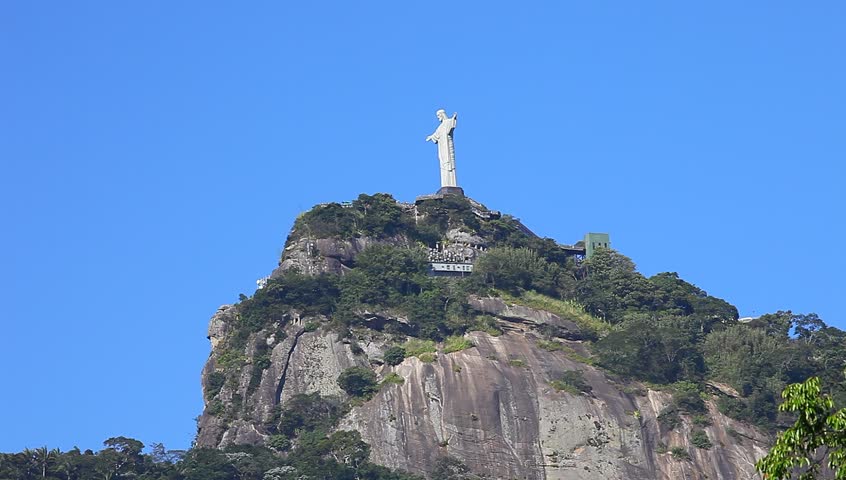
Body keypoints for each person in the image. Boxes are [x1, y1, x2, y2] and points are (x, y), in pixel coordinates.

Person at [425, 109, 458, 187]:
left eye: (439, 116)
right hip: (442, 148)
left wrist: (454, 118)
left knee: (449, 163)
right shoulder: (440, 127)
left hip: (447, 147)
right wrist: (431, 137)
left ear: (442, 115)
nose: (438, 117)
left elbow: (451, 125)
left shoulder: (448, 122)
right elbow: (436, 135)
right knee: (443, 164)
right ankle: (445, 183)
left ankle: (452, 184)